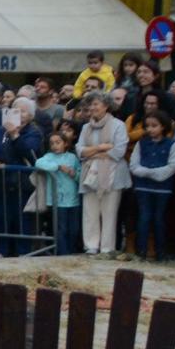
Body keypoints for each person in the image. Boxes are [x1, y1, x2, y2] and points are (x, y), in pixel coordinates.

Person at [0, 101, 41, 257]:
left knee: (22, 219)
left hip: (21, 182)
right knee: (0, 217)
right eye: (15, 110)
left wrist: (15, 135)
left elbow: (29, 152)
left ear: (30, 116)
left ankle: (22, 251)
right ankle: (1, 249)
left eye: (22, 111)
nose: (18, 114)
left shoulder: (34, 132)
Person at [77, 93, 131, 255]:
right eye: (90, 105)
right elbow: (80, 150)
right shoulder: (86, 127)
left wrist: (91, 152)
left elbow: (119, 151)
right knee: (89, 211)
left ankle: (107, 248)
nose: (92, 108)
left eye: (96, 104)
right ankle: (91, 246)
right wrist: (101, 148)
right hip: (89, 173)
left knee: (109, 212)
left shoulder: (118, 125)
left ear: (106, 106)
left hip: (112, 174)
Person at [131, 110, 175, 261]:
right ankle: (141, 251)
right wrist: (152, 173)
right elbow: (134, 166)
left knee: (159, 218)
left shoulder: (172, 144)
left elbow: (172, 167)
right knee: (144, 217)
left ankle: (160, 252)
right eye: (148, 126)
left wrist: (148, 172)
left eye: (154, 126)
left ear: (163, 126)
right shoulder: (141, 143)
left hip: (163, 188)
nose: (150, 129)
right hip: (143, 187)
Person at [35, 130, 83, 256]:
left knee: (74, 229)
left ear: (66, 144)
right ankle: (63, 253)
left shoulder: (72, 158)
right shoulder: (49, 157)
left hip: (73, 200)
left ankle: (72, 250)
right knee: (61, 229)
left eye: (58, 142)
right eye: (52, 143)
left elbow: (80, 173)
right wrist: (58, 167)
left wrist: (74, 174)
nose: (55, 146)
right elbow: (39, 163)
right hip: (57, 200)